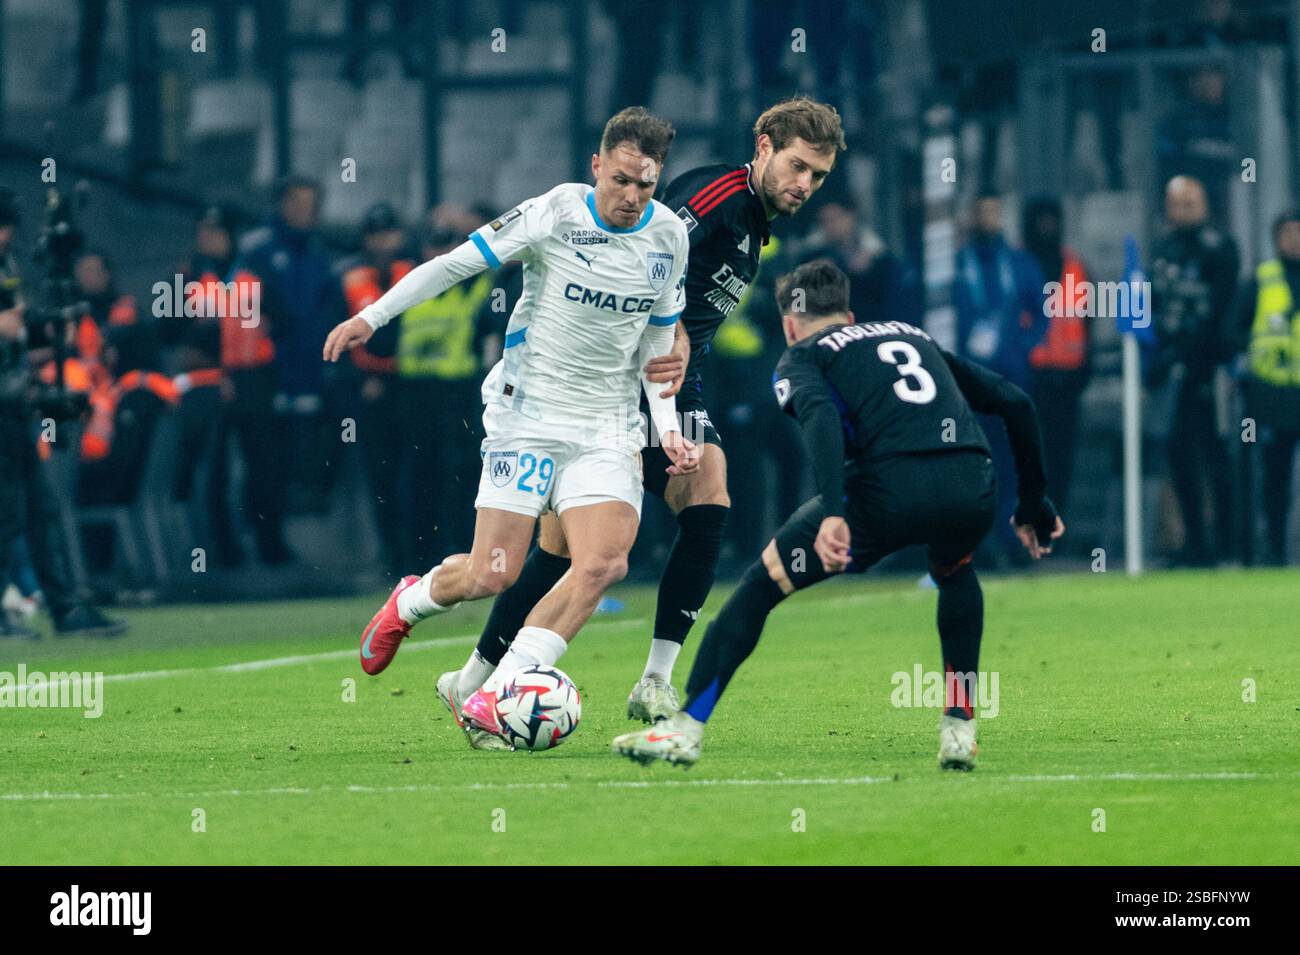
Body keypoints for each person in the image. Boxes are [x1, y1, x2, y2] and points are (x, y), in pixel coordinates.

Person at [460, 95, 846, 726]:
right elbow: (637, 256)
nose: (805, 184)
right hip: (627, 379)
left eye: (819, 175)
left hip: (672, 383)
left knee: (599, 539)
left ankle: (595, 680)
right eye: (798, 166)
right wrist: (667, 336)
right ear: (764, 147)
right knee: (585, 545)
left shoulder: (755, 219)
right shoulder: (715, 197)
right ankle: (489, 681)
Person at [322, 107, 698, 749]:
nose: (633, 196)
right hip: (528, 416)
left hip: (607, 424)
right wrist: (373, 317)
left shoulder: (668, 236)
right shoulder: (554, 212)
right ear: (597, 166)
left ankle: (498, 693)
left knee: (604, 562)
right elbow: (453, 265)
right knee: (492, 574)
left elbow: (658, 342)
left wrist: (665, 427)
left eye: (646, 184)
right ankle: (411, 601)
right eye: (621, 180)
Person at [614, 260, 1063, 770]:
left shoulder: (804, 355)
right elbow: (1015, 402)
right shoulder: (913, 335)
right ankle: (959, 729)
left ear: (789, 325)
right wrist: (1034, 503)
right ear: (848, 316)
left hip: (887, 493)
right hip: (971, 487)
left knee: (760, 587)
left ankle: (686, 729)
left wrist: (832, 511)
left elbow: (820, 417)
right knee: (955, 570)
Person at [0, 189, 127, 638]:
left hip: (13, 402)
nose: (6, 235)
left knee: (40, 510)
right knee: (8, 515)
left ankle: (65, 607)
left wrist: (43, 332)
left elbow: (17, 334)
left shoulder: (8, 263)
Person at [1149, 175, 1239, 566]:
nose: (1183, 211)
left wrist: (1183, 353)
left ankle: (1228, 545)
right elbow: (1152, 303)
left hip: (1209, 371)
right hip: (1171, 374)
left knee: (1215, 454)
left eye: (1191, 204)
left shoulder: (1220, 248)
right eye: (1177, 204)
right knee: (1179, 454)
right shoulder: (1163, 249)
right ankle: (1195, 544)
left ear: (1205, 206)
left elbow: (1218, 312)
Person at [954, 191, 1048, 565]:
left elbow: (1042, 312)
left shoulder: (1019, 262)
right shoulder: (957, 263)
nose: (987, 220)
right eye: (981, 212)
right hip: (965, 378)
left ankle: (1012, 540)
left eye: (994, 212)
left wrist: (1020, 347)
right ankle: (977, 540)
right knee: (972, 457)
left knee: (1011, 459)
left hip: (1010, 378)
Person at [1234, 208, 1300, 565]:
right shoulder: (1262, 280)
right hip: (1272, 398)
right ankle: (1272, 551)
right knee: (1274, 479)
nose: (1294, 240)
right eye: (1287, 233)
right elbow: (1231, 330)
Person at [1022, 196, 1090, 518]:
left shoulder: (1076, 267)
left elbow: (1086, 322)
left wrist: (1082, 371)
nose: (1047, 227)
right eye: (1041, 220)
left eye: (1053, 220)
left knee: (1062, 458)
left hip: (1066, 380)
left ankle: (1055, 523)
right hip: (1028, 379)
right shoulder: (1017, 266)